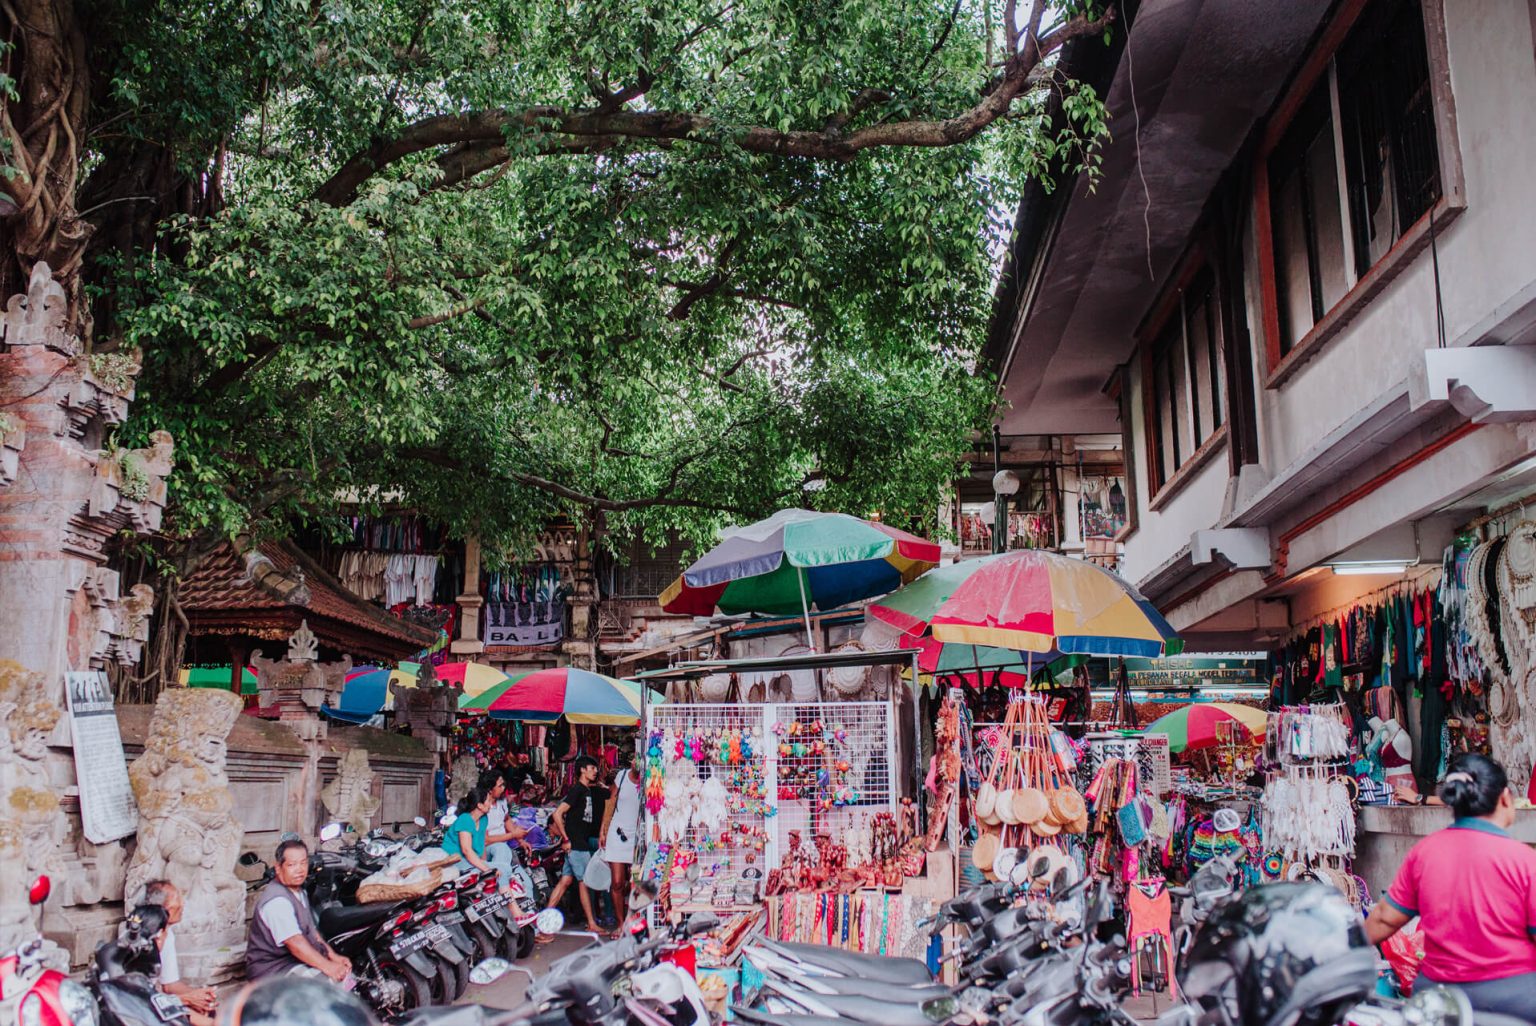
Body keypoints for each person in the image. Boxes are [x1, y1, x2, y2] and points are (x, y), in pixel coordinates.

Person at [1365, 753, 1536, 1018]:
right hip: (1514, 998)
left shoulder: (1425, 852)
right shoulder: (1524, 859)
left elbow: (1385, 919)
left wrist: (1340, 951)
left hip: (1441, 999)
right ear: (1504, 798)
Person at [246, 838, 353, 984]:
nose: (300, 869)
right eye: (292, 865)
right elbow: (295, 943)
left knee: (349, 980)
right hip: (272, 970)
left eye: (303, 863)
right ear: (278, 868)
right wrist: (329, 967)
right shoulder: (277, 901)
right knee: (327, 984)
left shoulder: (299, 892)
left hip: (293, 962)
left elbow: (312, 932)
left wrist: (333, 957)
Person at [140, 880, 217, 1026]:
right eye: (177, 900)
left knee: (206, 1010)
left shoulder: (167, 934)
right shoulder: (141, 939)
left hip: (159, 1002)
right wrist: (187, 1000)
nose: (182, 904)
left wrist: (199, 997)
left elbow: (170, 984)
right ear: (162, 908)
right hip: (144, 1010)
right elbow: (143, 1000)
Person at [544, 755, 605, 937]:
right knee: (584, 883)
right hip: (576, 844)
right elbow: (558, 813)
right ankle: (592, 923)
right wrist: (566, 839)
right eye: (592, 768)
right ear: (582, 770)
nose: (595, 771)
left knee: (565, 882)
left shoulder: (585, 790)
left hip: (579, 843)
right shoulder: (577, 789)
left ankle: (544, 922)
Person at [598, 750, 642, 924]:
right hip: (617, 834)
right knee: (617, 882)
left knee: (635, 881)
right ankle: (620, 923)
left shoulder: (648, 780)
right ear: (631, 761)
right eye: (635, 759)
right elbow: (610, 804)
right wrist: (603, 830)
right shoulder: (621, 777)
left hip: (637, 836)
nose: (636, 764)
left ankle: (634, 920)